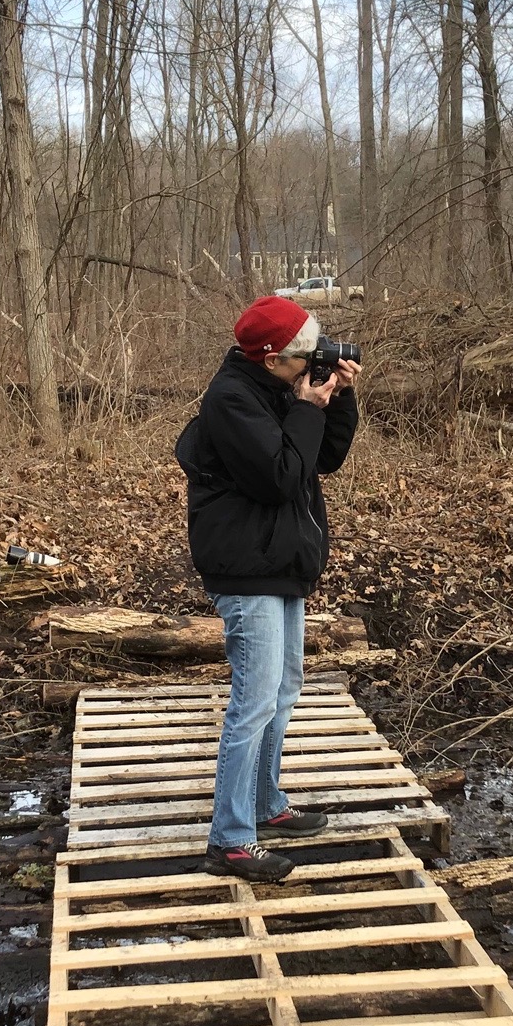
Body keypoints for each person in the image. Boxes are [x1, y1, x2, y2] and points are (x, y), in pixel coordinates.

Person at [176, 296, 360, 881]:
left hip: (280, 563)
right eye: (303, 358)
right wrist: (305, 407)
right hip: (246, 568)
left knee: (283, 689)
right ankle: (229, 840)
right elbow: (281, 478)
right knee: (253, 702)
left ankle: (265, 803)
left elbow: (322, 460)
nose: (311, 364)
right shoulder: (231, 400)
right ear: (271, 357)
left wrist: (337, 397)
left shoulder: (279, 387)